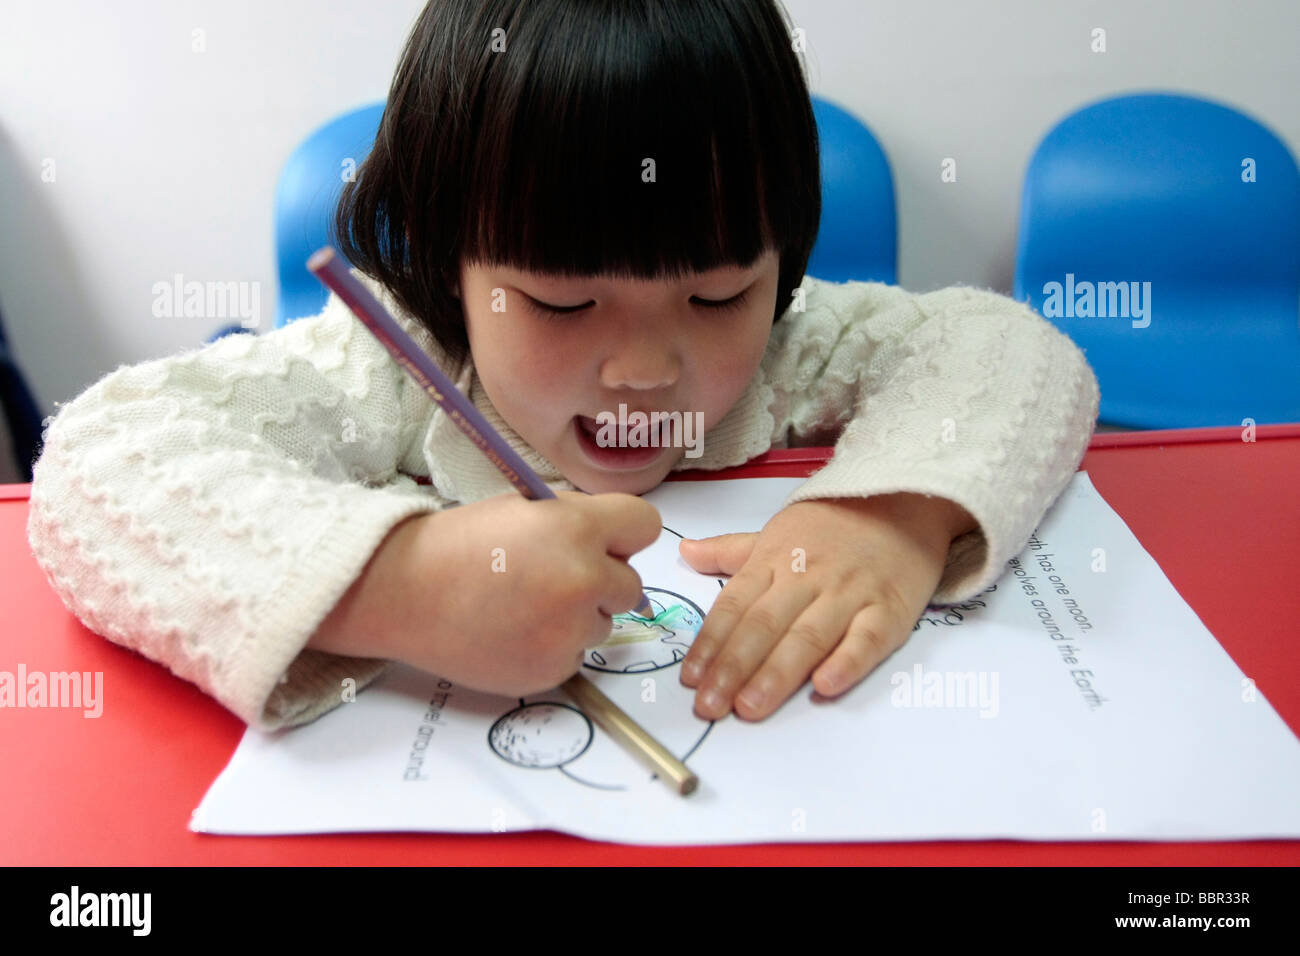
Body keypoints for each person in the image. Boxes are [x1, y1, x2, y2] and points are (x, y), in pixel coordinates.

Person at [26, 0, 1099, 732]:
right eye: (561, 300)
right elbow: (91, 471)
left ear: (782, 259)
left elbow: (1019, 350)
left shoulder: (791, 346)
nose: (642, 368)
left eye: (716, 293)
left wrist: (889, 515)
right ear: (449, 259)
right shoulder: (395, 368)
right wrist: (394, 588)